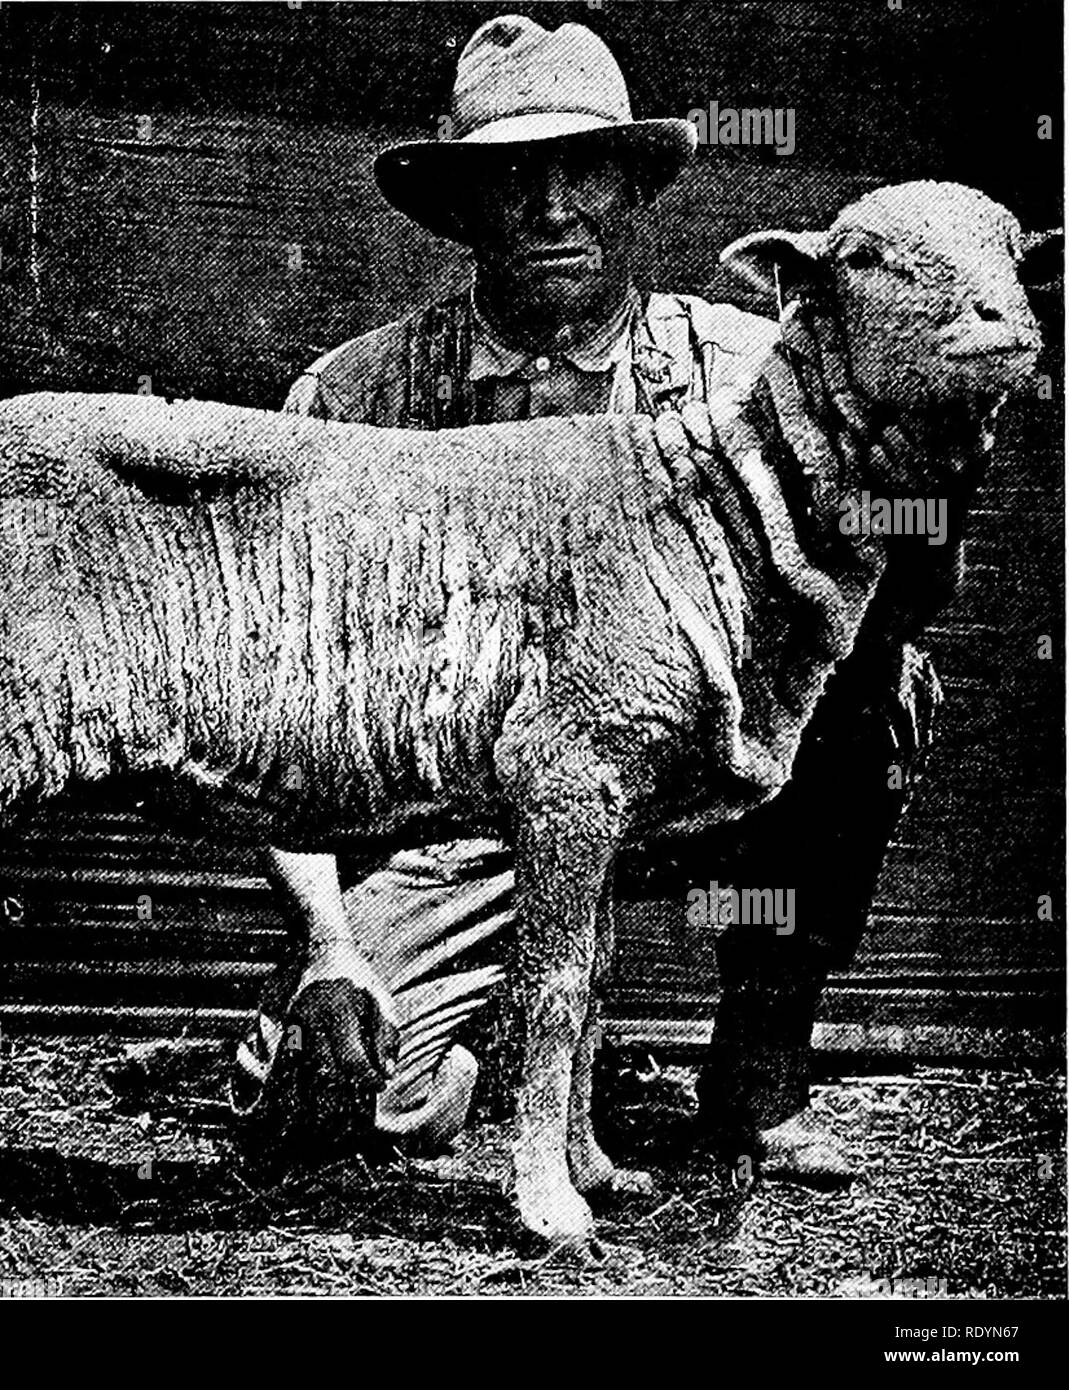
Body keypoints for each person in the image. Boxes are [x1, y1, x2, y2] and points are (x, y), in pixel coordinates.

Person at [239, 14, 940, 1181]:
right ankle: (475, 1042)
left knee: (875, 683)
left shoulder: (741, 372)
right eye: (512, 179)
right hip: (462, 820)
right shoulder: (360, 402)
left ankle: (757, 1075)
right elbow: (267, 691)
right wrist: (323, 943)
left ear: (634, 188)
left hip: (696, 792)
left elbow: (874, 555)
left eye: (585, 171)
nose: (553, 206)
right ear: (461, 209)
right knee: (327, 1104)